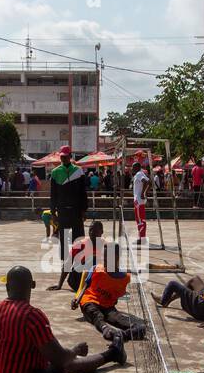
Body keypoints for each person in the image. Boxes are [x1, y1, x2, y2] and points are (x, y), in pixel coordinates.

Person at [0, 266, 174, 373]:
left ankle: (112, 354)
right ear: (32, 285)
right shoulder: (32, 315)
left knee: (70, 365)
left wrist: (14, 353)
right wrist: (74, 351)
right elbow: (60, 358)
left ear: (7, 286)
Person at [71, 245, 145, 343]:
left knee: (120, 320)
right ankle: (105, 329)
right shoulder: (96, 269)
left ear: (117, 258)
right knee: (96, 315)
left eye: (107, 259)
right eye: (104, 258)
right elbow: (85, 286)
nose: (104, 262)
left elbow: (116, 297)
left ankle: (123, 335)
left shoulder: (124, 278)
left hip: (108, 307)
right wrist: (77, 299)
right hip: (90, 300)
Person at [48, 146, 88, 275]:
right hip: (62, 210)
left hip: (76, 210)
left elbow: (83, 192)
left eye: (65, 156)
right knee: (64, 238)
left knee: (79, 238)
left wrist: (84, 210)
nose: (63, 158)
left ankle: (79, 263)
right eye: (61, 156)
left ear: (70, 156)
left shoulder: (79, 171)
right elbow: (53, 194)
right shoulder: (55, 172)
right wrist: (53, 212)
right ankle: (65, 265)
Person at [48, 219, 102, 291]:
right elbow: (67, 264)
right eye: (90, 230)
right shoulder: (80, 244)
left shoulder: (105, 245)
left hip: (96, 280)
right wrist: (59, 285)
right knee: (93, 258)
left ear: (102, 232)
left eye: (95, 230)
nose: (92, 232)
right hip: (77, 279)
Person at [131, 161, 150, 242]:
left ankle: (142, 238)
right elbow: (149, 182)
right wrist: (145, 192)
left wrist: (143, 193)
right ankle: (141, 237)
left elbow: (146, 182)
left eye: (133, 167)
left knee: (140, 219)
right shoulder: (140, 173)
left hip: (138, 200)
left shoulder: (139, 174)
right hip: (139, 200)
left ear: (136, 167)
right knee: (140, 219)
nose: (132, 169)